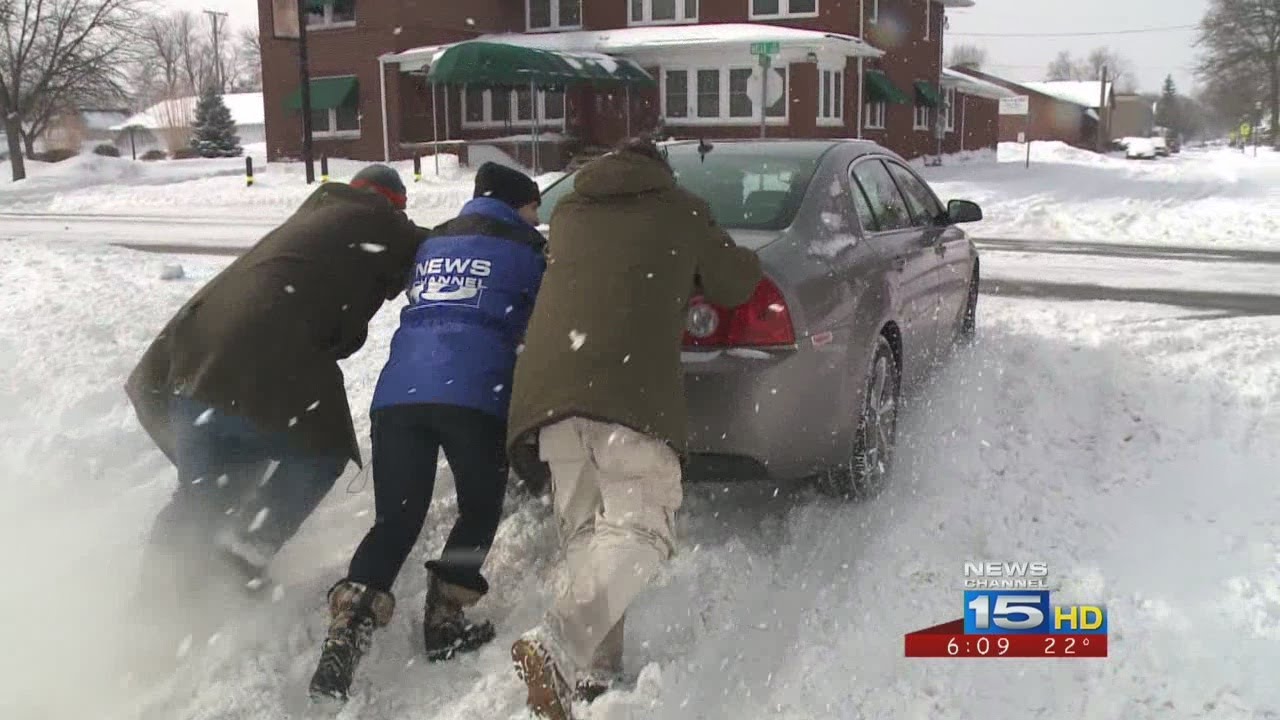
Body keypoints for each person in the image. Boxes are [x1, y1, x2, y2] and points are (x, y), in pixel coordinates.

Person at [504, 138, 763, 720]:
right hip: (627, 392)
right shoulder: (682, 207)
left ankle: (593, 670)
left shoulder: (569, 209)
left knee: (587, 536)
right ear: (660, 171)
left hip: (548, 392)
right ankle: (559, 644)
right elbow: (733, 282)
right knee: (644, 527)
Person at [125, 165, 426, 640]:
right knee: (321, 452)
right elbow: (443, 243)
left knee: (203, 492)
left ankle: (152, 610)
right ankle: (244, 549)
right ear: (395, 203)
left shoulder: (306, 220)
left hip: (187, 365)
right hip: (262, 358)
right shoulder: (381, 221)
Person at [307, 162, 547, 704]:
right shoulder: (529, 249)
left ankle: (346, 632)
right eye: (534, 205)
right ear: (517, 206)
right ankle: (444, 619)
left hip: (399, 396)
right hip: (474, 393)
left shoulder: (435, 241)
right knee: (480, 507)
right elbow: (544, 320)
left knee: (397, 519)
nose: (538, 216)